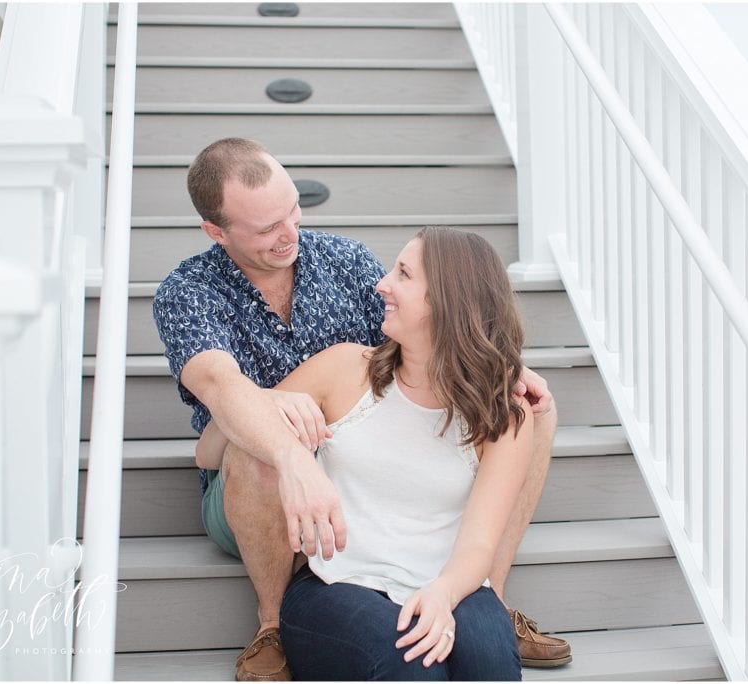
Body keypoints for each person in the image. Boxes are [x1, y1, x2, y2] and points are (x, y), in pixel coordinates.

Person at [153, 138, 571, 681]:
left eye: (292, 211)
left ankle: (482, 592)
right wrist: (290, 451)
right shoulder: (188, 291)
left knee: (529, 411)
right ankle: (273, 625)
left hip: (353, 464)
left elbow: (429, 323)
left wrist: (494, 362)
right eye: (265, 228)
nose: (289, 234)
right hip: (252, 483)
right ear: (217, 231)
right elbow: (219, 388)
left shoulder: (343, 261)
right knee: (256, 445)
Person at [197, 227, 532, 680]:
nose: (382, 284)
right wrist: (265, 401)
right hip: (337, 586)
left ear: (448, 301)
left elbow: (478, 543)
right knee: (413, 666)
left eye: (404, 274)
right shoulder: (344, 368)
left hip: (449, 580)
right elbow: (209, 451)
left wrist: (442, 594)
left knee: (488, 665)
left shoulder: (504, 415)